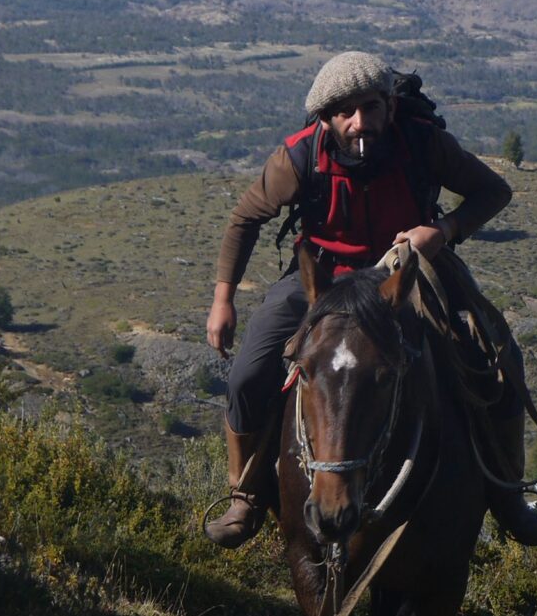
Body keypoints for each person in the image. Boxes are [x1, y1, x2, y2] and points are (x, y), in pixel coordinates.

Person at [203, 52, 512, 547]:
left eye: (370, 106)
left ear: (390, 105)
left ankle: (507, 493)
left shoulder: (424, 144)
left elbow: (492, 191)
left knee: (493, 357)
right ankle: (245, 495)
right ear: (326, 117)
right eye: (345, 111)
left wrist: (443, 230)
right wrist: (224, 301)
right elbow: (244, 220)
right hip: (320, 280)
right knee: (246, 376)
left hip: (406, 272)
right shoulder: (301, 157)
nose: (359, 121)